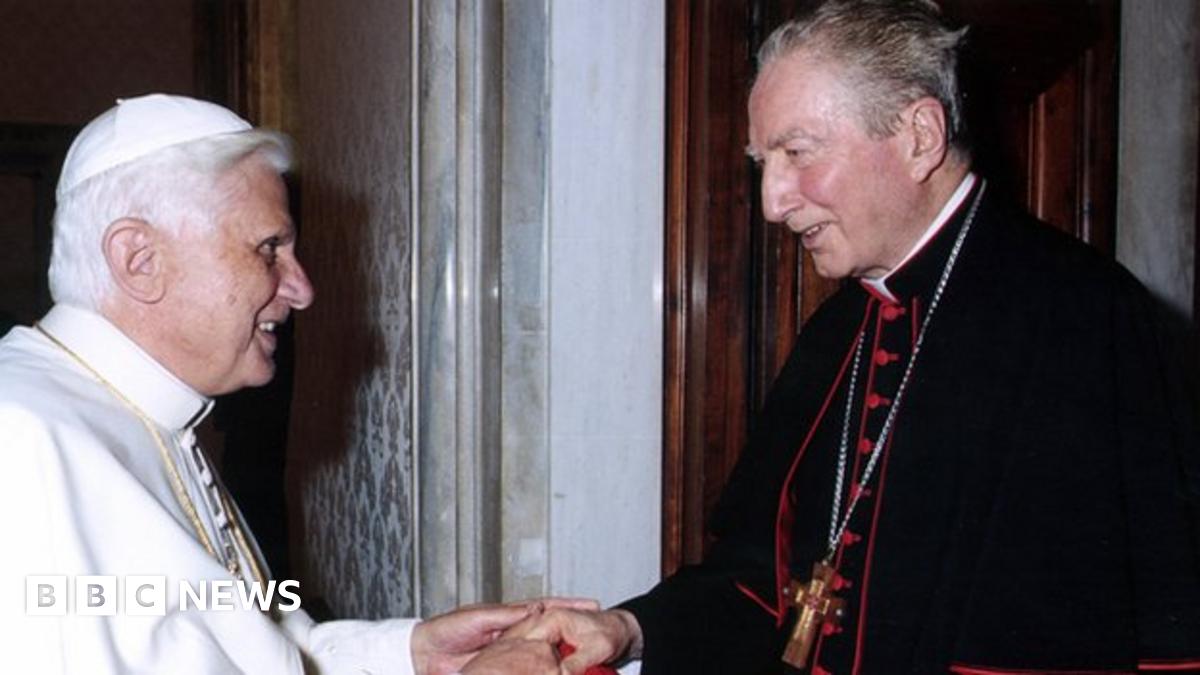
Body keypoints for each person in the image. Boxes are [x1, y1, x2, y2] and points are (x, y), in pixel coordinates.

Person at [527, 1, 1200, 673]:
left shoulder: (1085, 316)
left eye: (797, 152)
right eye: (765, 161)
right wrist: (627, 627)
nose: (773, 200)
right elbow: (763, 580)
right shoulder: (838, 328)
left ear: (918, 136)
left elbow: (1169, 633)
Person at [0, 93, 577, 674]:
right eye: (268, 249)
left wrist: (412, 654)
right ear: (139, 258)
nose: (301, 289)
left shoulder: (151, 412)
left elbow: (250, 644)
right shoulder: (22, 441)